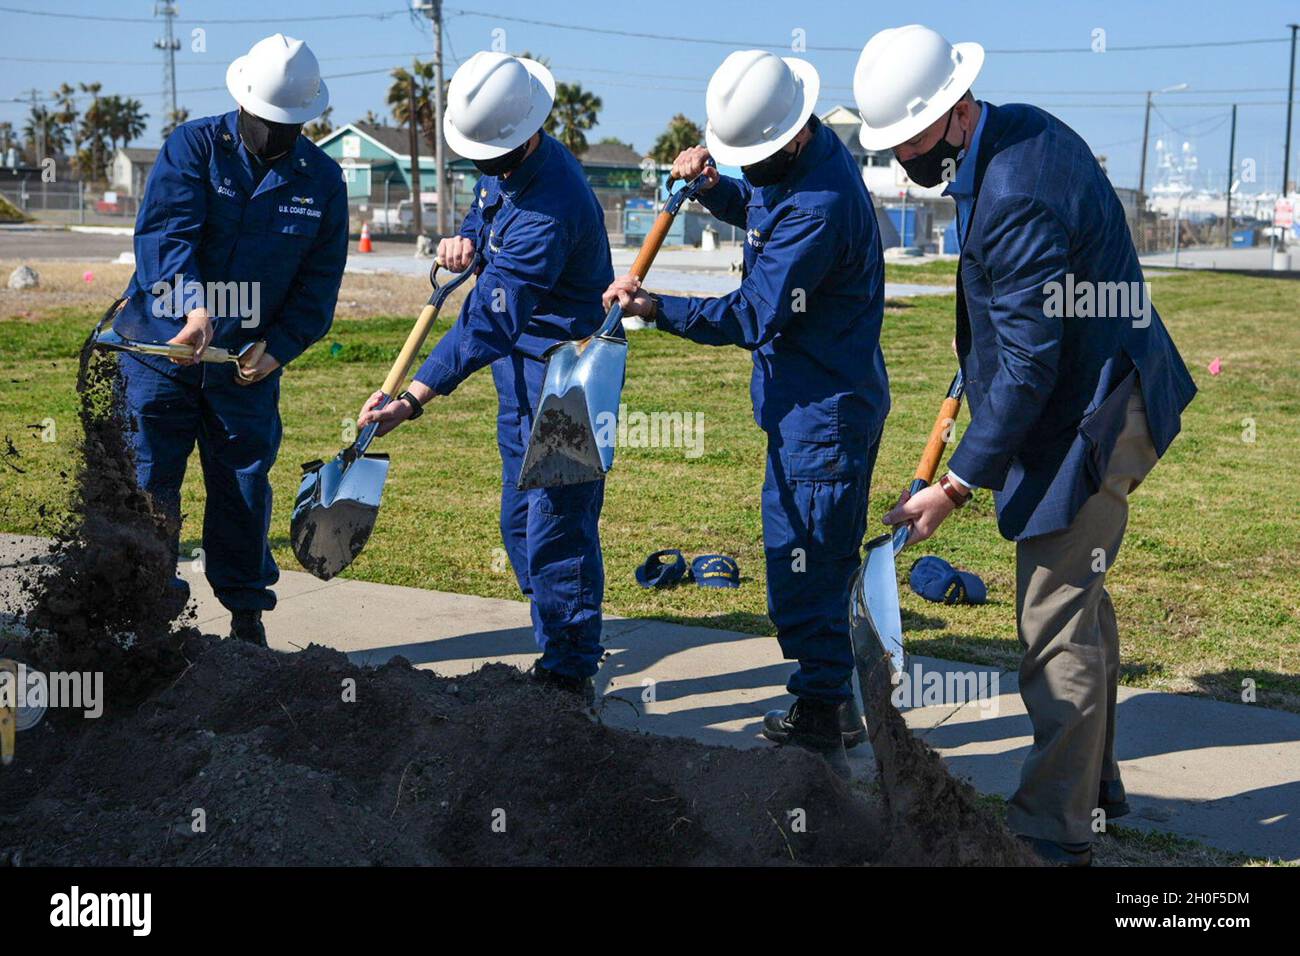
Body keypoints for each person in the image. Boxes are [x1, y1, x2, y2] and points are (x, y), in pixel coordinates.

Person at [856, 25, 1196, 864]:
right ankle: (1096, 787)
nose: (902, 159)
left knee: (1054, 621)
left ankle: (1052, 831)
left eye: (908, 141)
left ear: (956, 112)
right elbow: (1016, 328)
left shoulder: (1016, 190)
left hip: (1097, 412)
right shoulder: (1007, 136)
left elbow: (1035, 361)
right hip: (1086, 390)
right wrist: (971, 379)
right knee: (1080, 599)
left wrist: (959, 483)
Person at [604, 50, 890, 774]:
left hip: (823, 415)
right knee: (799, 559)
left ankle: (823, 724)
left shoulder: (821, 203)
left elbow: (755, 313)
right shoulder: (791, 161)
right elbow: (756, 206)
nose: (750, 169)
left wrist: (656, 307)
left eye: (754, 158)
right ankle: (833, 700)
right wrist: (710, 187)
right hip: (803, 405)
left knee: (810, 567)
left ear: (793, 135)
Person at [358, 52, 613, 702]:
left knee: (557, 524)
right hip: (519, 376)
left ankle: (569, 675)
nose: (482, 167)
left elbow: (483, 327)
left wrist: (412, 399)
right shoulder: (507, 163)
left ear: (526, 132)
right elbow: (485, 211)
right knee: (519, 524)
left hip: (570, 382)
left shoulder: (550, 209)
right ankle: (558, 631)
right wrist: (466, 238)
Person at [113, 34, 348, 647]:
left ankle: (246, 618)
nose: (276, 133)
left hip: (245, 366)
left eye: (289, 124)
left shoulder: (322, 182)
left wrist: (279, 347)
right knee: (148, 480)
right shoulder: (193, 147)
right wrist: (190, 308)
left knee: (244, 482)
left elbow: (318, 285)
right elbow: (166, 238)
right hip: (162, 351)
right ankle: (146, 613)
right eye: (267, 120)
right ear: (242, 101)